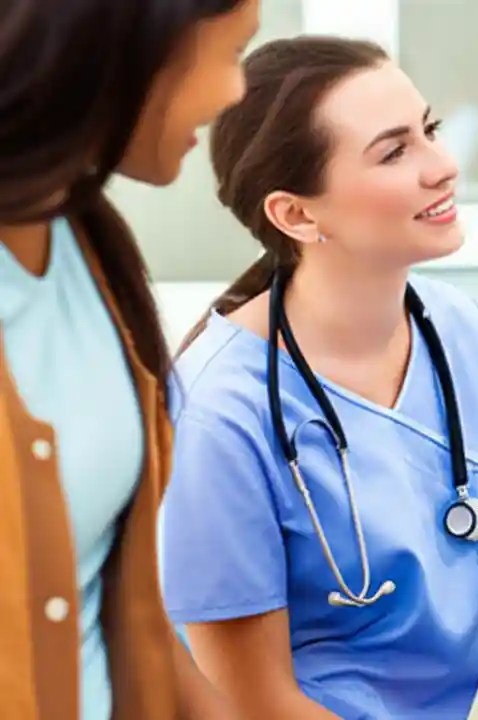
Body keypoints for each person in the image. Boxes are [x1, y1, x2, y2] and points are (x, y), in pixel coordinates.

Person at [158, 35, 478, 719]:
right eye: (394, 152)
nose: (442, 166)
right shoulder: (221, 414)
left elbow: (475, 544)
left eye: (429, 131)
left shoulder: (456, 330)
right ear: (296, 214)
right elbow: (255, 702)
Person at [0, 1, 260, 718]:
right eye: (233, 52)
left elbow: (120, 617)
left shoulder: (90, 249)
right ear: (131, 43)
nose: (236, 91)